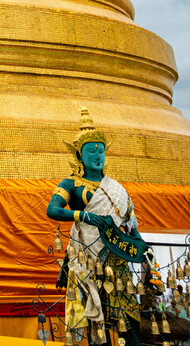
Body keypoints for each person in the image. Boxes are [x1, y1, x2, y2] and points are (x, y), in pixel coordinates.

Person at [46, 108, 147, 346]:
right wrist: (83, 216)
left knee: (127, 313)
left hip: (116, 255)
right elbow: (52, 209)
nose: (97, 155)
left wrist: (144, 248)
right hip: (86, 255)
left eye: (100, 150)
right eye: (91, 150)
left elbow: (129, 222)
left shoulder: (116, 189)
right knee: (94, 313)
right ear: (80, 155)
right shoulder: (71, 183)